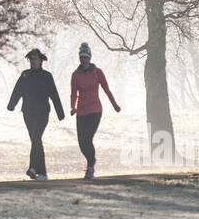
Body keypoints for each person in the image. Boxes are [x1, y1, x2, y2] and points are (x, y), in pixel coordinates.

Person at [7, 48, 65, 180]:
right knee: (35, 140)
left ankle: (39, 170)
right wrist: (11, 105)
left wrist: (60, 113)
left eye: (35, 59)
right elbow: (17, 91)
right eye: (31, 59)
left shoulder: (46, 76)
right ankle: (36, 170)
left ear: (40, 60)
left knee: (36, 138)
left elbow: (54, 94)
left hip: (43, 112)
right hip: (28, 112)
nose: (33, 61)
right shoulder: (25, 75)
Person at [70, 42, 120, 179]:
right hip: (81, 111)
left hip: (95, 110)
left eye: (85, 57)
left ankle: (90, 166)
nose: (83, 59)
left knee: (87, 138)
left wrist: (115, 105)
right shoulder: (75, 75)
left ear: (90, 58)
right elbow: (73, 93)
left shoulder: (97, 72)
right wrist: (72, 106)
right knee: (81, 142)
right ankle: (91, 161)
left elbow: (106, 89)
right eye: (81, 57)